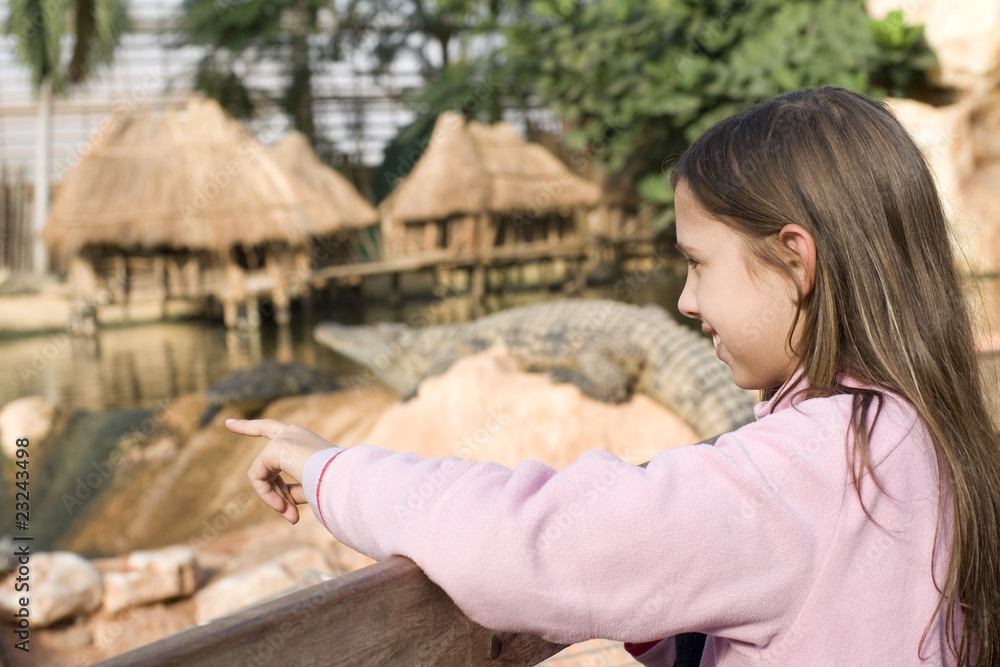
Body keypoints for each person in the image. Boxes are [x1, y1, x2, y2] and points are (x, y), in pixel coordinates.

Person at [226, 87, 1000, 666]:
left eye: (697, 264)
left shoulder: (815, 464)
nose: (684, 300)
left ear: (795, 261)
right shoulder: (920, 433)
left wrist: (332, 471)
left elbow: (538, 543)